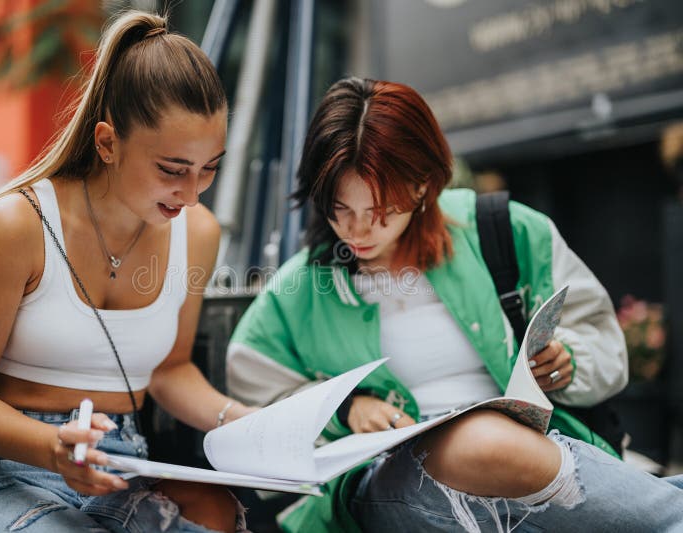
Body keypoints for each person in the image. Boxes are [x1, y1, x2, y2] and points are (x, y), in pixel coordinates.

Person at [226, 77, 683, 533]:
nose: (357, 231)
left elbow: (600, 342)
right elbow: (256, 403)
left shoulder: (506, 232)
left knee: (493, 450)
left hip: (536, 464)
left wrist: (568, 363)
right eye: (338, 209)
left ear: (423, 185)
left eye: (381, 211)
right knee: (478, 441)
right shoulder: (304, 286)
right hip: (388, 487)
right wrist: (346, 407)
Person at [0, 11, 255, 533]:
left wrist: (244, 420)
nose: (193, 194)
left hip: (121, 464)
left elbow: (170, 370)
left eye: (209, 168)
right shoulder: (15, 225)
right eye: (172, 170)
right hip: (0, 470)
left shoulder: (198, 232)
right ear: (107, 143)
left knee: (219, 516)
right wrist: (52, 448)